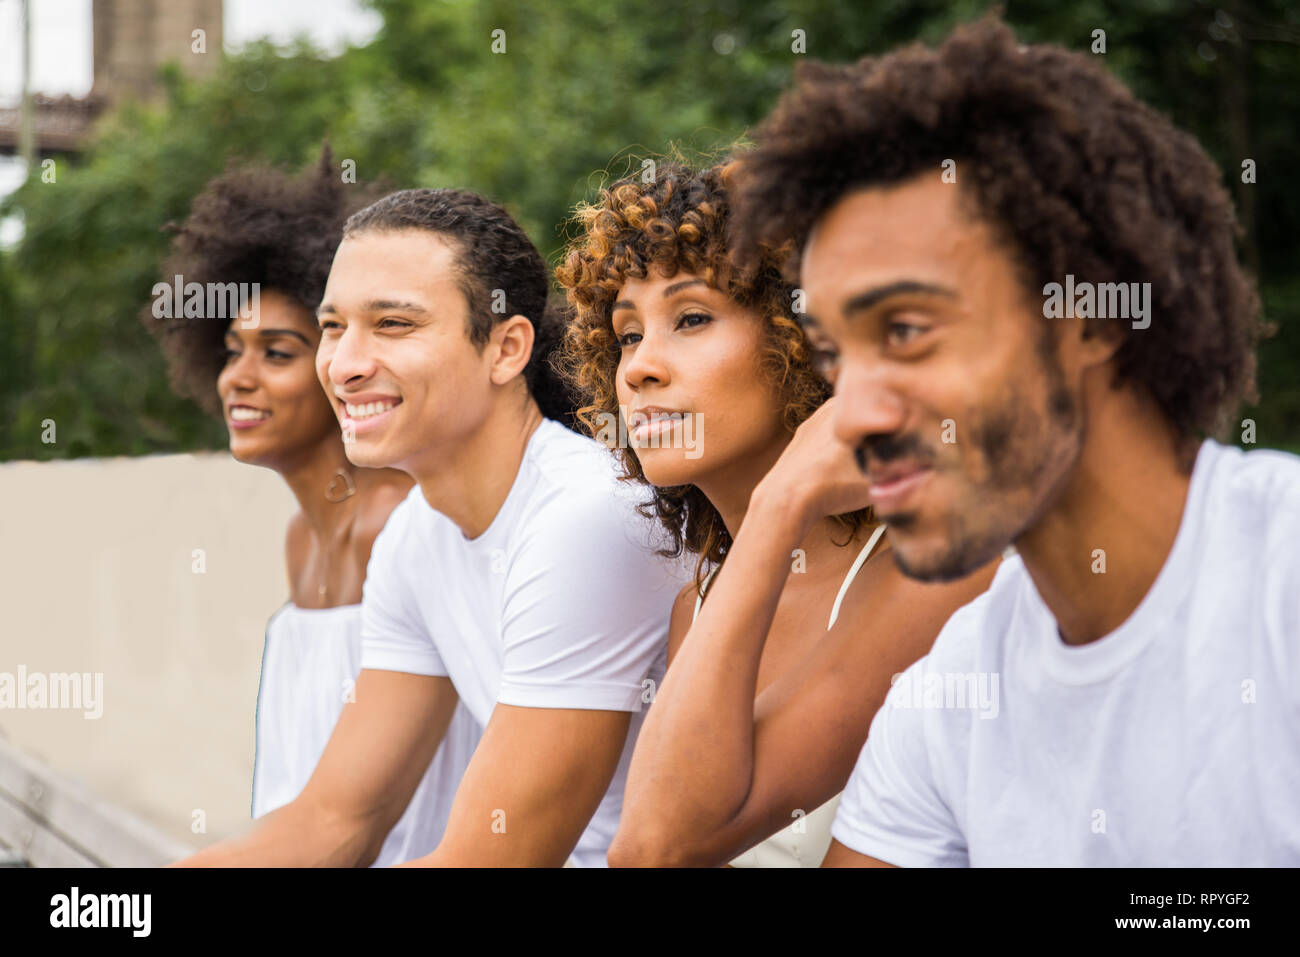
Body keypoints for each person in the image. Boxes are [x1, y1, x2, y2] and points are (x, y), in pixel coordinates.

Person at [729, 16, 1299, 866]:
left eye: (909, 329)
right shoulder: (952, 692)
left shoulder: (1280, 581)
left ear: (1094, 314)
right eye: (834, 355)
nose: (850, 414)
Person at [175, 186, 688, 868]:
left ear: (506, 349)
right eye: (333, 327)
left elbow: (488, 859)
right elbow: (335, 819)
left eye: (393, 324)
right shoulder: (416, 537)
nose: (346, 364)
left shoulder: (584, 516)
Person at [555, 161, 997, 867]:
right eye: (628, 334)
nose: (639, 367)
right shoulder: (697, 605)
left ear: (811, 338)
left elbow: (656, 848)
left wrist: (779, 502)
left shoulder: (937, 569)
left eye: (691, 317)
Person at [145, 151, 481, 866]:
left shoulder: (400, 523)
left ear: (342, 370)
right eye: (233, 348)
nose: (239, 375)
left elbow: (347, 823)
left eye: (278, 351)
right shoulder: (303, 539)